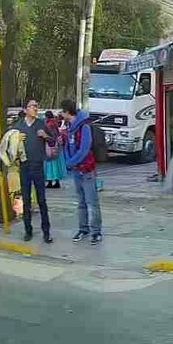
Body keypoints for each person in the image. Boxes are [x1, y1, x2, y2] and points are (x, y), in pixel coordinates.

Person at [11, 99, 55, 243]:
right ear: (25, 109)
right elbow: (7, 142)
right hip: (24, 167)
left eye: (36, 106)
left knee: (42, 200)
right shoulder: (18, 126)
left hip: (38, 166)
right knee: (26, 201)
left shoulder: (41, 124)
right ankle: (27, 230)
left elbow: (53, 141)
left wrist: (45, 136)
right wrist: (16, 139)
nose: (35, 108)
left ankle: (46, 232)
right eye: (32, 106)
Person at [61, 99, 103, 245]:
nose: (61, 115)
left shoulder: (84, 126)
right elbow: (67, 146)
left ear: (67, 112)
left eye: (62, 112)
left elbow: (84, 149)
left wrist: (70, 162)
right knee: (81, 202)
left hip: (87, 169)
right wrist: (68, 160)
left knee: (92, 202)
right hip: (76, 170)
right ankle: (83, 229)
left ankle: (96, 231)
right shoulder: (69, 127)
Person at [43, 111, 67, 189]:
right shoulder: (55, 123)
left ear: (46, 117)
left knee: (50, 165)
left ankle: (50, 181)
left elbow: (48, 136)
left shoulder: (48, 124)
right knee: (56, 164)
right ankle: (57, 181)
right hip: (57, 147)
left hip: (50, 147)